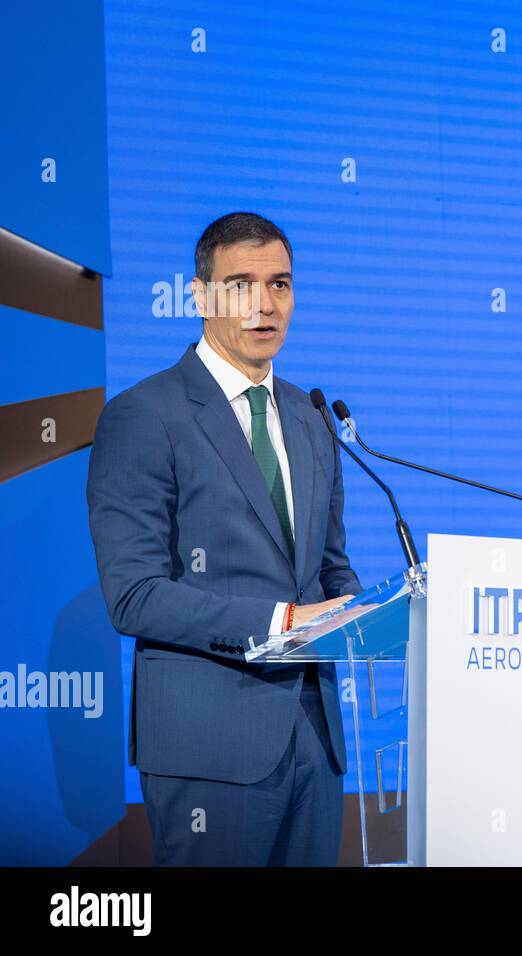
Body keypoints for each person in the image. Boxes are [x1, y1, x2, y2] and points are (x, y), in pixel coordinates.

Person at [87, 212, 359, 865]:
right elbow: (135, 596)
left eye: (281, 284)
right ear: (199, 296)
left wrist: (369, 610)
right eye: (241, 285)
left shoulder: (312, 415)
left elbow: (330, 567)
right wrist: (282, 622)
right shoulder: (145, 415)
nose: (265, 305)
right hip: (210, 747)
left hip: (314, 744)